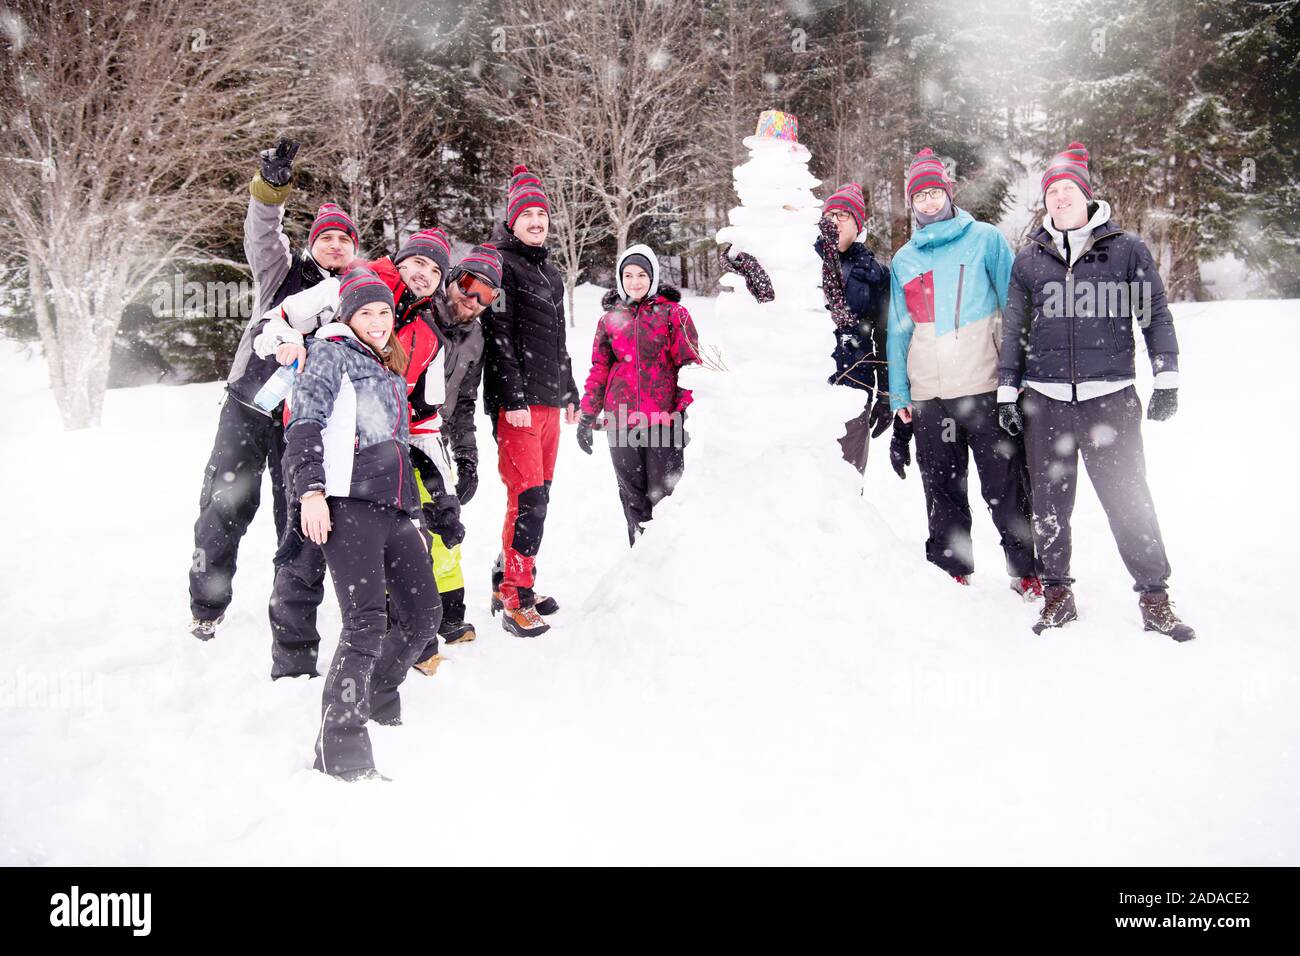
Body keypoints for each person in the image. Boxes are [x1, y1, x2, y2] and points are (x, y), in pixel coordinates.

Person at [256, 231, 482, 678]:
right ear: (399, 260)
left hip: (377, 465)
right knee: (303, 554)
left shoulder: (427, 336)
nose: (425, 274)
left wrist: (441, 489)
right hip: (318, 447)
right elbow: (273, 323)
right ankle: (294, 663)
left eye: (436, 270)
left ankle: (391, 657)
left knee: (388, 557)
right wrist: (289, 344)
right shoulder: (344, 285)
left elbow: (424, 420)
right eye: (418, 262)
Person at [997, 143, 1194, 641]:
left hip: (1111, 399)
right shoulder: (1029, 260)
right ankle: (1058, 596)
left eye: (1068, 189)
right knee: (1049, 504)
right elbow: (1015, 329)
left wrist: (1165, 376)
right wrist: (1007, 391)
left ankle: (1155, 597)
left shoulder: (1126, 249)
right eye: (1052, 191)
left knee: (1129, 498)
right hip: (1045, 401)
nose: (1060, 198)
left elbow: (1155, 316)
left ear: (1086, 195)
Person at [188, 138, 358, 639]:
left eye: (343, 240)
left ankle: (292, 616)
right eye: (326, 238)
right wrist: (272, 188)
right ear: (313, 243)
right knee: (224, 506)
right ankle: (207, 604)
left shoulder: (357, 295)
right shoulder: (282, 272)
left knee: (301, 520)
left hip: (304, 425)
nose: (334, 246)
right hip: (248, 407)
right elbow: (263, 231)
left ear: (353, 249)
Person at [282, 267, 439, 781]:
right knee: (366, 623)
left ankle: (377, 695)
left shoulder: (388, 366)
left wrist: (415, 512)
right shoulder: (330, 354)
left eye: (384, 312)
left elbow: (398, 446)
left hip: (392, 508)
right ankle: (340, 752)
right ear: (349, 316)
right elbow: (304, 423)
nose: (377, 320)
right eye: (366, 312)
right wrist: (310, 492)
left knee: (422, 615)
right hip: (346, 505)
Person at [886, 147, 1042, 599]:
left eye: (936, 193)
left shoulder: (986, 240)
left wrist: (1018, 378)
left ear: (949, 194)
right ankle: (951, 570)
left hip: (986, 387)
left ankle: (1027, 569)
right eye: (921, 196)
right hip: (930, 396)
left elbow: (1016, 312)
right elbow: (899, 333)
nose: (929, 202)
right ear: (912, 203)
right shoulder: (904, 260)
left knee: (1006, 486)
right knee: (941, 489)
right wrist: (900, 399)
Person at [393, 241, 502, 670]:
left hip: (433, 439)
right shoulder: (418, 314)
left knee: (446, 527)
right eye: (469, 285)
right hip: (396, 436)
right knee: (404, 533)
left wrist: (468, 457)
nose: (472, 300)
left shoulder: (475, 337)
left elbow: (464, 405)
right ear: (452, 279)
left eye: (486, 295)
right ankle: (398, 619)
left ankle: (450, 613)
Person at [482, 164, 580, 637]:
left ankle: (509, 580)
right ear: (512, 220)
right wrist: (513, 397)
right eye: (528, 215)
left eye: (542, 213)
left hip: (547, 404)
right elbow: (497, 334)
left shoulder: (552, 274)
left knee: (533, 499)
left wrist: (570, 389)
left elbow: (557, 339)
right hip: (517, 405)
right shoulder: (501, 265)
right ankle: (515, 601)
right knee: (529, 500)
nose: (537, 221)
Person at [576, 244, 701, 544]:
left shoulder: (674, 314)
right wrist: (587, 415)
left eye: (642, 274)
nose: (635, 282)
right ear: (620, 279)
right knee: (633, 499)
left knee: (665, 497)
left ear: (653, 276)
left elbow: (690, 365)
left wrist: (682, 411)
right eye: (628, 275)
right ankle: (639, 565)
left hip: (663, 421)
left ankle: (669, 567)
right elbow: (600, 370)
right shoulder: (609, 320)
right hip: (620, 422)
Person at [814, 182, 891, 434]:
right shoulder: (804, 261)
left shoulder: (875, 274)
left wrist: (886, 394)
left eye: (843, 215)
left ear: (858, 224)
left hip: (855, 386)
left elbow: (884, 337)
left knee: (846, 470)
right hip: (806, 387)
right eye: (830, 215)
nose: (835, 220)